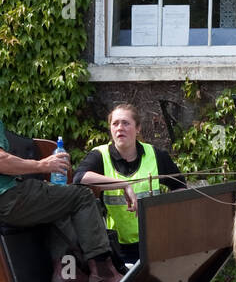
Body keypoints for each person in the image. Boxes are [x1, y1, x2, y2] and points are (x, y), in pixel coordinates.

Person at [0, 61, 126, 282]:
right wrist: (42, 164)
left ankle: (66, 275)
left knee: (56, 199)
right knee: (81, 195)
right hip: (4, 200)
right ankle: (104, 275)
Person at [74, 103, 186, 264]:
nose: (120, 128)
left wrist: (166, 216)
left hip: (153, 244)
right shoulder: (100, 155)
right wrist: (123, 184)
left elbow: (180, 187)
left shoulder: (156, 155)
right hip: (116, 247)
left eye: (126, 123)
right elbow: (80, 177)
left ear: (138, 128)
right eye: (115, 123)